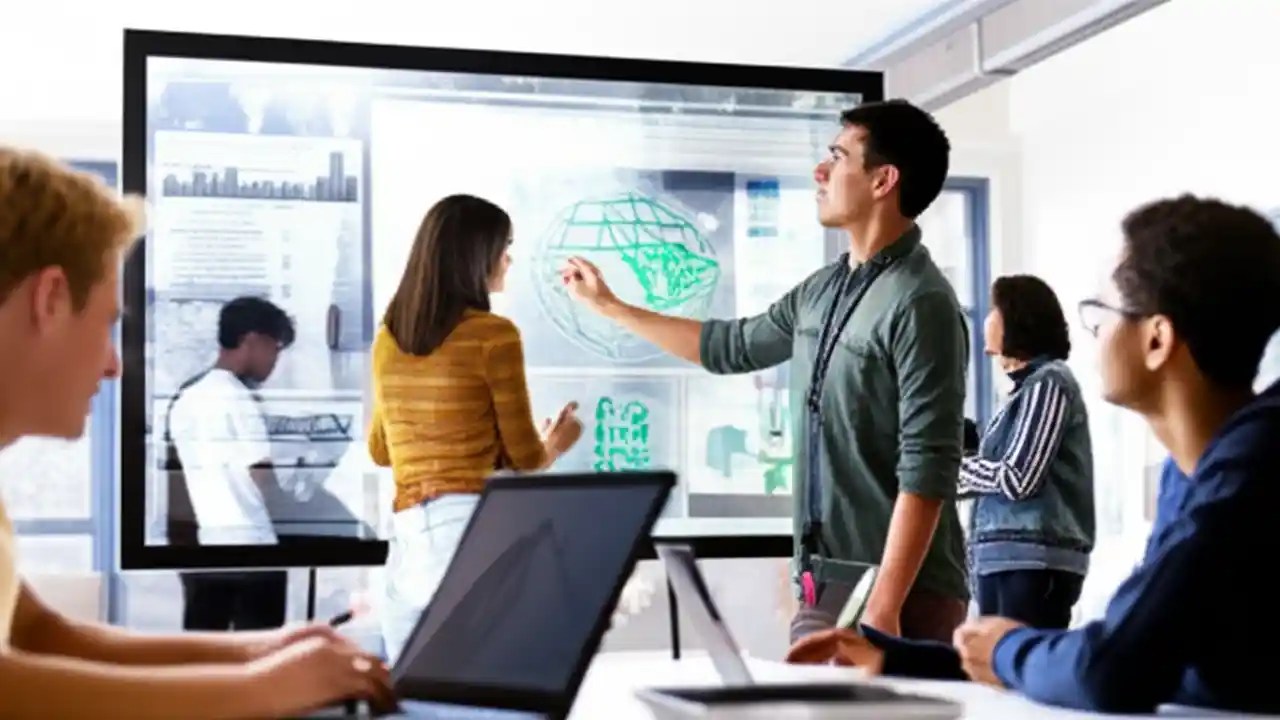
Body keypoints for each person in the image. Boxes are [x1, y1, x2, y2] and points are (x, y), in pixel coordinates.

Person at [787, 195, 1280, 715]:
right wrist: (898, 659)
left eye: (1103, 312)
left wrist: (1003, 649)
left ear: (1157, 339)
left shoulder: (1252, 469)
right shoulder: (1197, 471)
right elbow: (1137, 650)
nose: (1094, 333)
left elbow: (1112, 668)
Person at [0, 147, 392, 716]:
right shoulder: (229, 399)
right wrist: (265, 685)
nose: (115, 365)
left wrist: (263, 650)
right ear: (52, 298)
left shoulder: (189, 398)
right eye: (108, 323)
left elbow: (40, 634)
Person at [561, 99, 969, 642]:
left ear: (883, 180)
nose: (819, 172)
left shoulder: (921, 302)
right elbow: (727, 346)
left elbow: (927, 468)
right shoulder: (822, 289)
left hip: (903, 595)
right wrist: (612, 307)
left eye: (838, 157)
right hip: (827, 584)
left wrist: (884, 608)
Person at [371, 194, 583, 664]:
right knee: (494, 692)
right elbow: (527, 458)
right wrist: (557, 443)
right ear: (475, 256)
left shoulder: (388, 340)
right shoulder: (494, 335)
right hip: (473, 530)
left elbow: (381, 450)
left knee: (417, 696)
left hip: (408, 539)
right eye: (503, 245)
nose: (509, 257)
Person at [960, 275, 1094, 628]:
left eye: (994, 310)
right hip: (1008, 561)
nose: (987, 320)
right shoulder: (1023, 394)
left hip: (1031, 562)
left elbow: (1019, 478)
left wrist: (946, 471)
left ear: (1019, 319)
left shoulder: (1049, 382)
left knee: (1012, 675)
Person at [167, 296, 296, 631]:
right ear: (252, 340)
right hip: (254, 549)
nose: (275, 360)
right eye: (276, 348)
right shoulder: (237, 397)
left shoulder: (186, 397)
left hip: (207, 547)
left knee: (206, 653)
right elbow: (261, 475)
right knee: (260, 658)